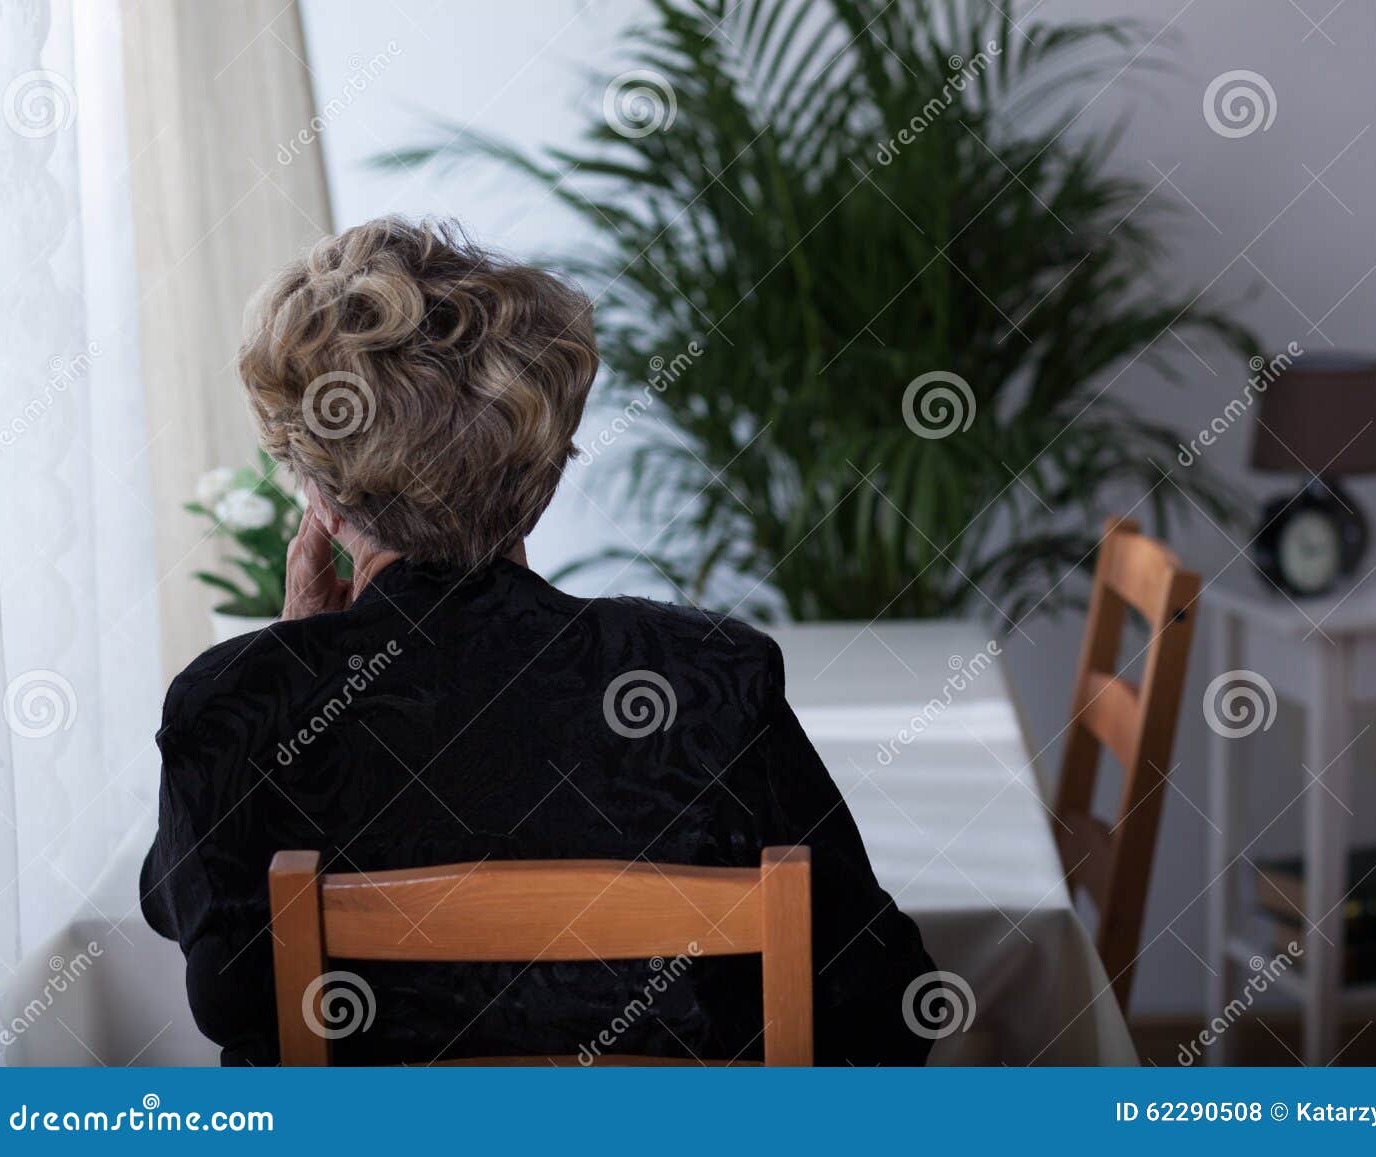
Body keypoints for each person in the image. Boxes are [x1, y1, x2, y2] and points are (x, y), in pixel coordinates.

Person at [140, 216, 935, 1066]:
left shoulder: (234, 704)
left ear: (322, 502)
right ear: (542, 478)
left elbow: (227, 989)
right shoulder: (710, 676)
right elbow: (884, 1006)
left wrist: (292, 666)